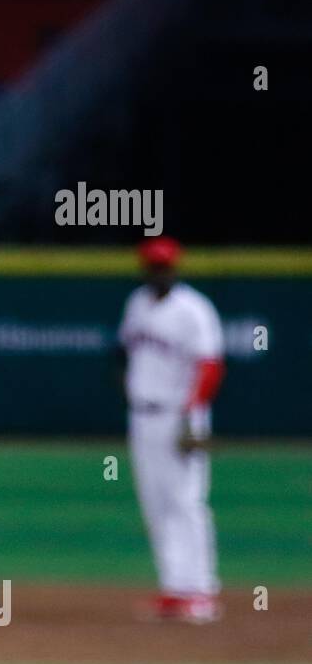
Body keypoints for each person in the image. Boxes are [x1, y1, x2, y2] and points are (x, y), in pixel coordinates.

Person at [116, 237, 225, 623]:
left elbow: (210, 365)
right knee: (155, 503)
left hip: (179, 415)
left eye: (164, 266)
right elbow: (124, 352)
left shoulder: (193, 309)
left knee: (186, 501)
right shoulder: (137, 305)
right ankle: (175, 588)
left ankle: (202, 591)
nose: (158, 272)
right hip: (143, 415)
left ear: (174, 268)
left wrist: (192, 418)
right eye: (152, 266)